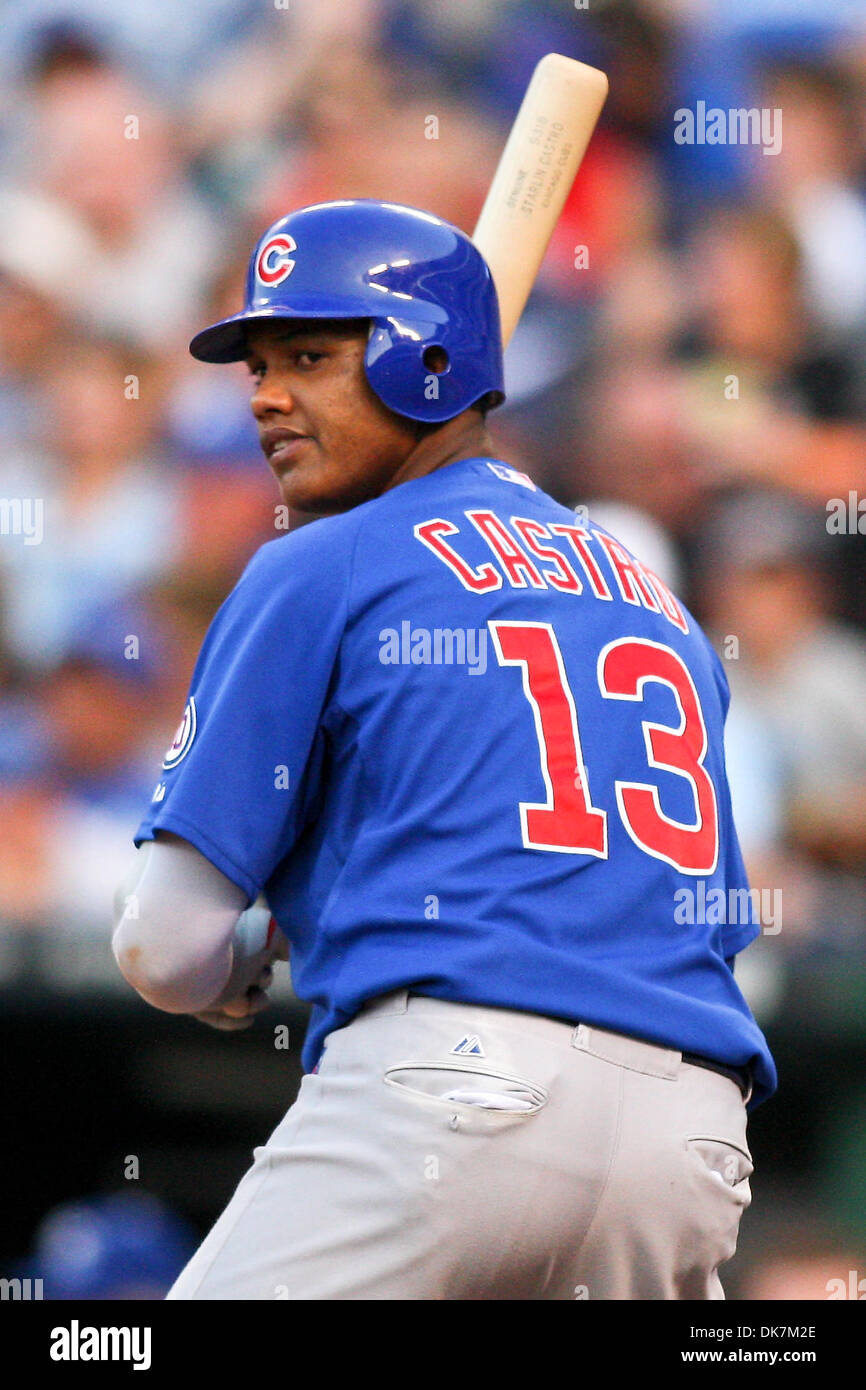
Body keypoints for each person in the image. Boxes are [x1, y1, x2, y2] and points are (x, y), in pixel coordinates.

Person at [112, 198, 776, 1300]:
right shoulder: (655, 598)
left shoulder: (320, 561)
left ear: (425, 356)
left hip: (448, 1094)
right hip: (690, 1140)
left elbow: (161, 948)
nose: (268, 395)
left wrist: (239, 960)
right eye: (259, 367)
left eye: (310, 356)